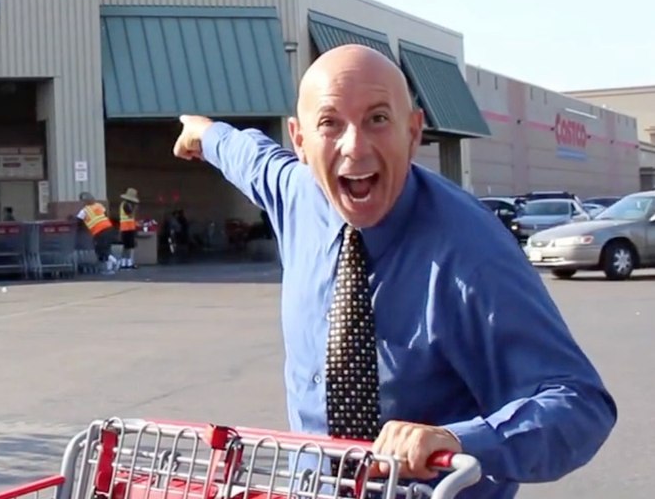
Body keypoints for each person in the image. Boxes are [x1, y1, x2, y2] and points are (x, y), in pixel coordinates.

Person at [172, 44, 615, 498]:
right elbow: (248, 155)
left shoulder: (472, 254)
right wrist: (205, 135)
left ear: (413, 131)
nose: (354, 146)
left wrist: (462, 440)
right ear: (300, 141)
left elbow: (578, 405)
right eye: (329, 123)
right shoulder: (297, 195)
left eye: (377, 119)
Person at [75, 192, 117, 275]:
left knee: (99, 249)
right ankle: (109, 268)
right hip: (109, 228)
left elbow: (78, 221)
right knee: (107, 248)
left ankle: (113, 260)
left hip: (99, 231)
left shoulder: (84, 211)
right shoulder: (99, 205)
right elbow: (105, 215)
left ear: (84, 201)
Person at [116, 188, 140, 270]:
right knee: (128, 247)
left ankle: (126, 262)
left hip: (128, 228)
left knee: (128, 247)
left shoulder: (125, 204)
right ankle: (126, 263)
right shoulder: (126, 205)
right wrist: (135, 209)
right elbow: (130, 215)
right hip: (127, 229)